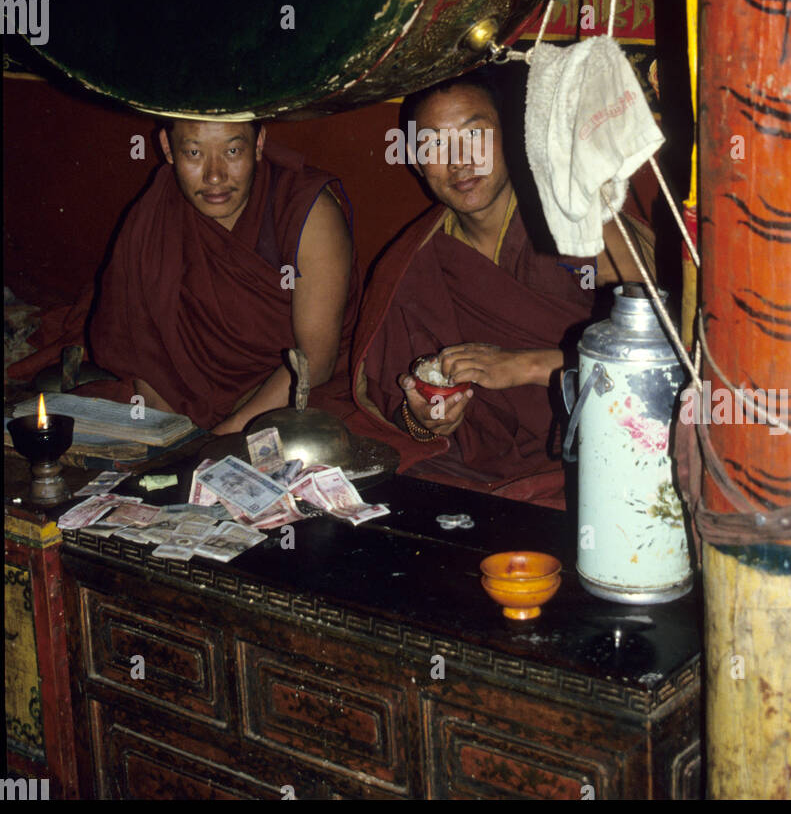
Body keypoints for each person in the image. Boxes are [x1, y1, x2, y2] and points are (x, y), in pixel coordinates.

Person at [349, 73, 655, 508]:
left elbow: (665, 357)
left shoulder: (585, 225)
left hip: (609, 448)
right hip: (471, 466)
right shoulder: (414, 261)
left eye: (475, 135)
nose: (459, 162)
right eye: (434, 144)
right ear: (415, 161)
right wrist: (426, 422)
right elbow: (397, 413)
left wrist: (530, 366)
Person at [83, 119, 360, 433]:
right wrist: (166, 430)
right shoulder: (158, 209)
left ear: (258, 144)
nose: (215, 176)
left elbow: (314, 361)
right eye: (193, 153)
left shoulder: (306, 210)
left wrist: (220, 438)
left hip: (289, 394)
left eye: (232, 150)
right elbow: (144, 354)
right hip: (186, 403)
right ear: (167, 148)